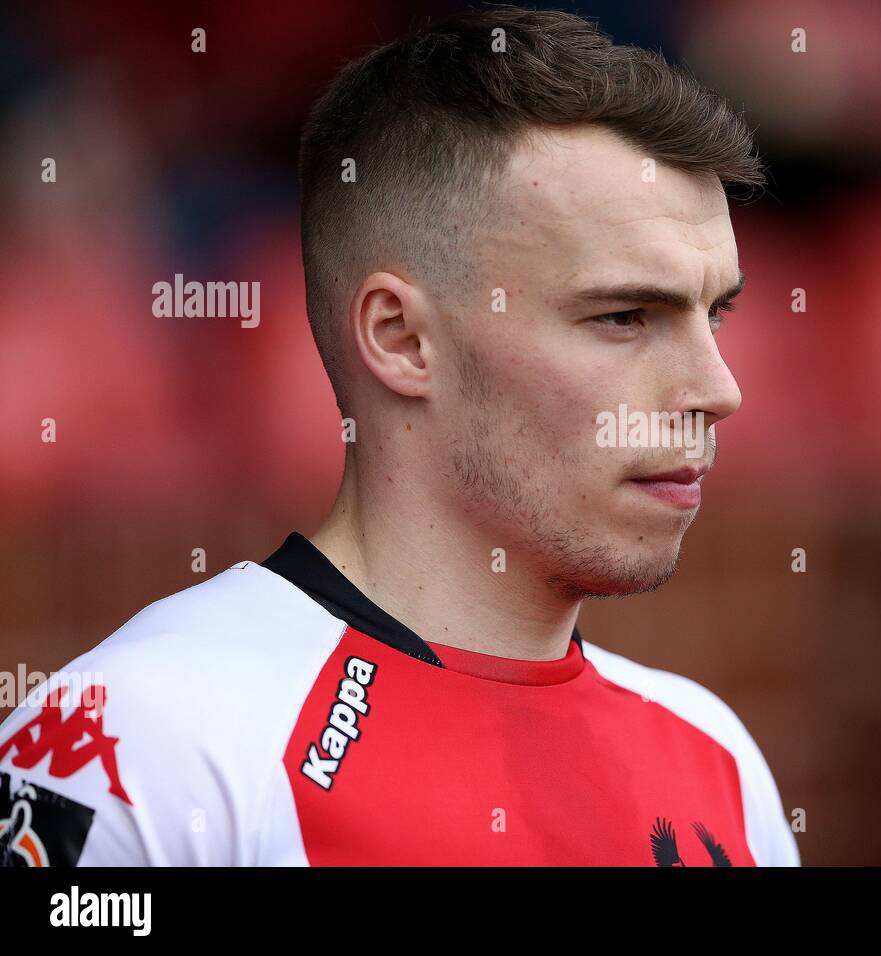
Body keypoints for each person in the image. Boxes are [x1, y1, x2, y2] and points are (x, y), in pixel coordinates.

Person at [0, 5, 798, 866]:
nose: (720, 390)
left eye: (715, 313)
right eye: (623, 316)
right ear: (401, 339)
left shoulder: (715, 756)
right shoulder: (140, 744)